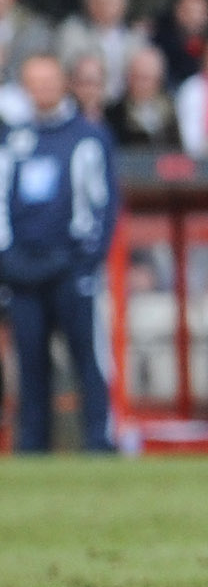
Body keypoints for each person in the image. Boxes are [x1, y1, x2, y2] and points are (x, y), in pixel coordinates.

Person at [1, 54, 117, 452]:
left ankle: (98, 443)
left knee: (87, 360)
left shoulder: (88, 136)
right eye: (35, 81)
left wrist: (88, 261)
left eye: (50, 80)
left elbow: (104, 204)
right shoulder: (12, 140)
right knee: (30, 367)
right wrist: (7, 260)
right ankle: (32, 448)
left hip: (72, 270)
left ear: (62, 83)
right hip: (22, 273)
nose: (43, 89)